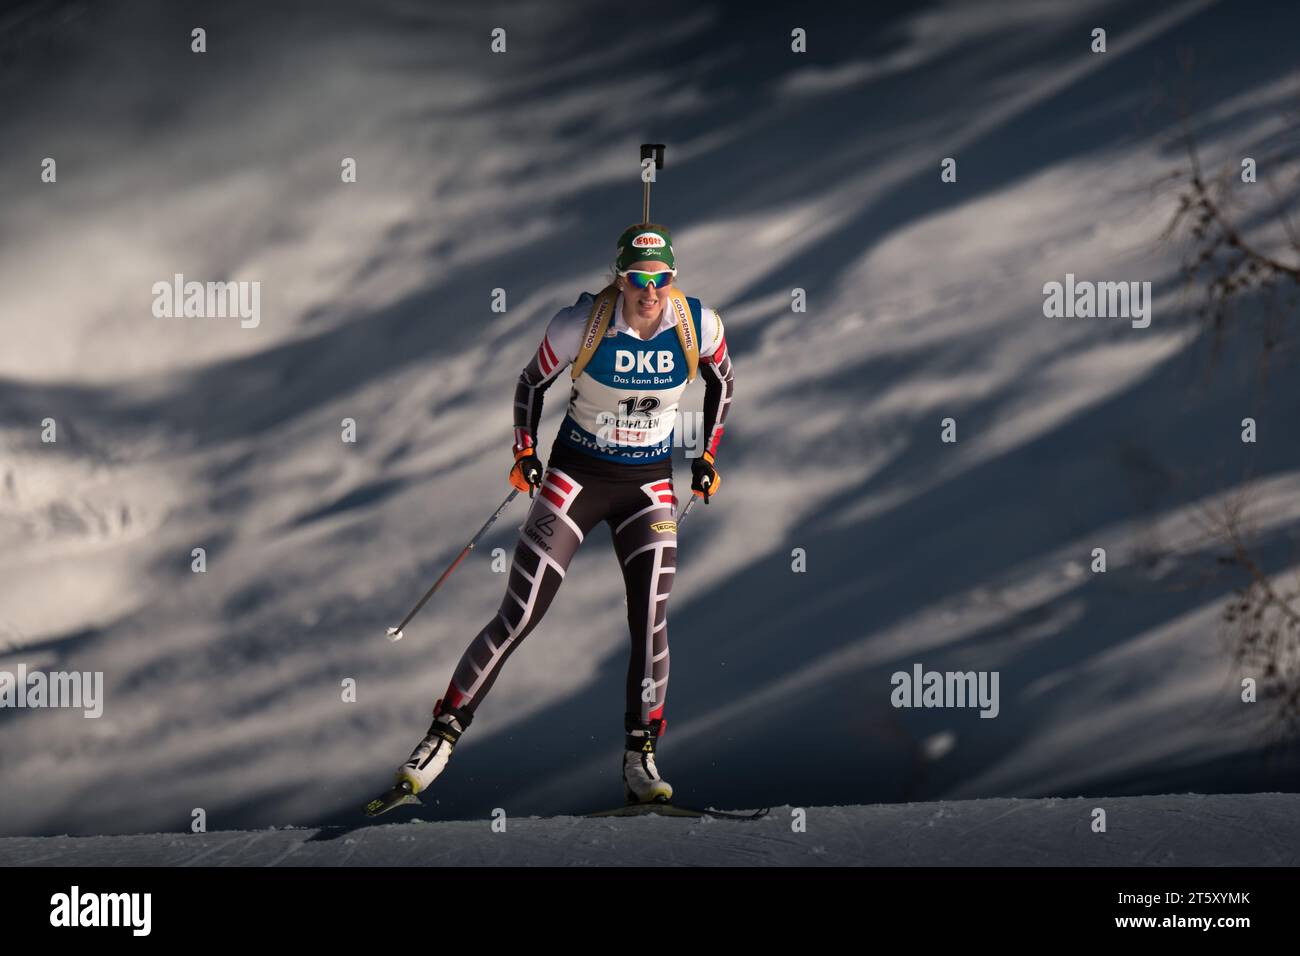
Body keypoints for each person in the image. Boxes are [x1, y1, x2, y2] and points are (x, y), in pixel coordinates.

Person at [393, 222, 735, 805]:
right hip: (577, 476)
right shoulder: (582, 324)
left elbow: (722, 382)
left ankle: (640, 752)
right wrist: (524, 450)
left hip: (649, 483)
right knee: (522, 611)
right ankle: (441, 736)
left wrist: (705, 454)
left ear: (673, 278)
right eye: (636, 278)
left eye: (660, 278)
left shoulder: (697, 325)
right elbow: (531, 382)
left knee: (650, 618)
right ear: (618, 277)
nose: (648, 290)